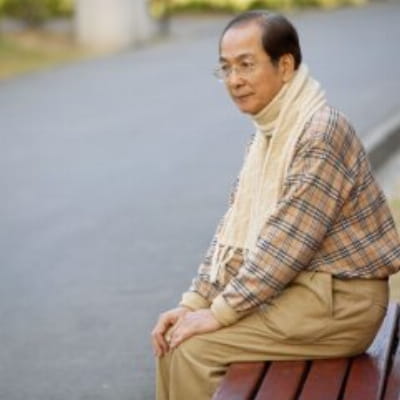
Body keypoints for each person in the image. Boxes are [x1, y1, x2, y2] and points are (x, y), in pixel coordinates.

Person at [151, 10, 400, 400]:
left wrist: (217, 313)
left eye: (246, 65)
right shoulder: (267, 136)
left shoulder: (319, 132)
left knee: (193, 351)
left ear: (284, 66)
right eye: (226, 68)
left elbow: (284, 246)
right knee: (174, 340)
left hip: (341, 302)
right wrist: (194, 302)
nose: (234, 80)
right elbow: (232, 232)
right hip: (300, 291)